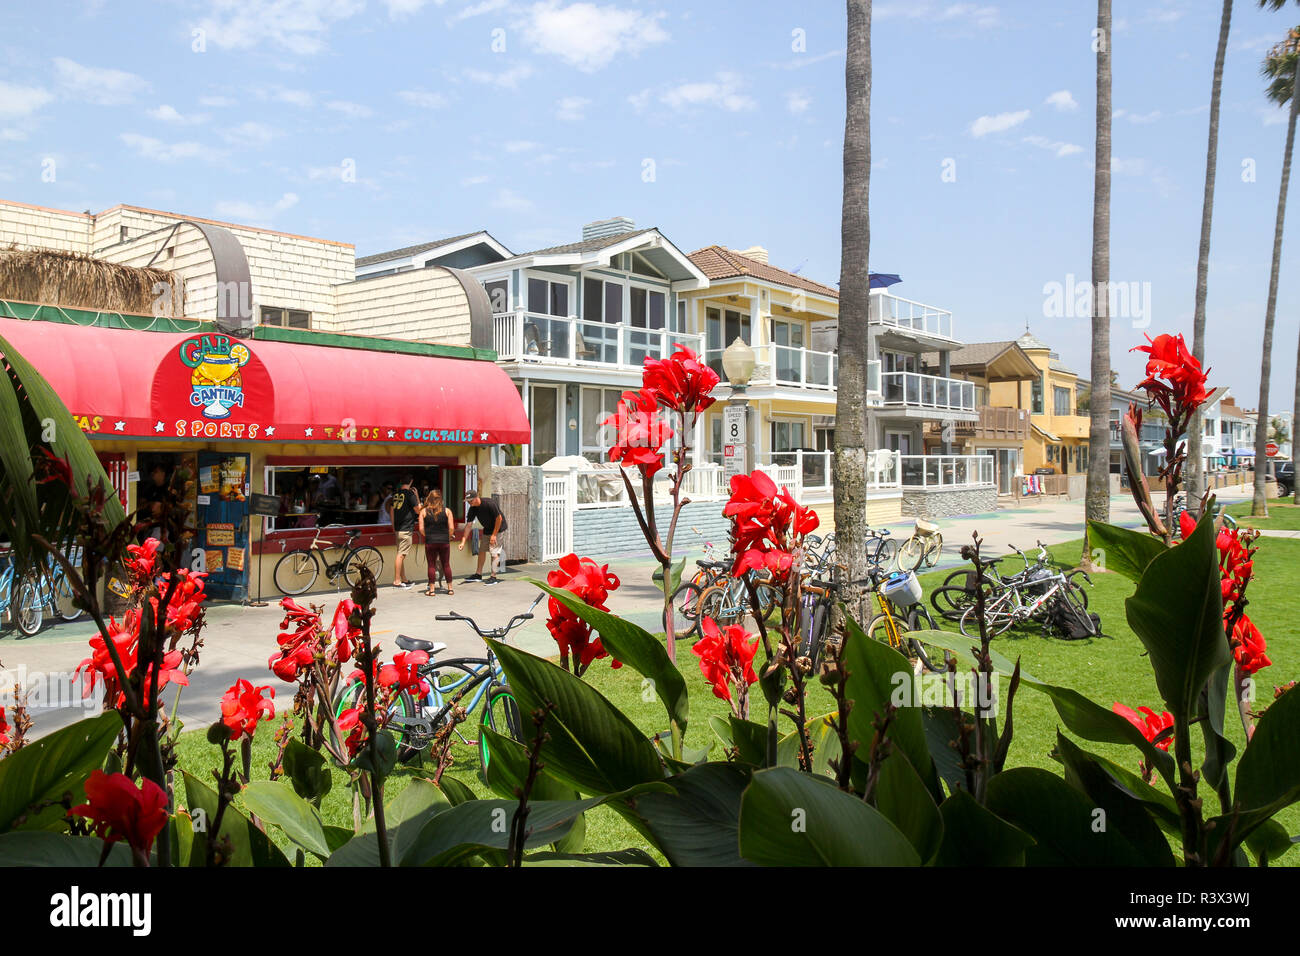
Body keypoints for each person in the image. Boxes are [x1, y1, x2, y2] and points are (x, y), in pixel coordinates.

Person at [457, 489, 507, 585]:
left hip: (498, 529)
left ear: (476, 498)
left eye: (471, 500)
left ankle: (493, 576)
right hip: (487, 529)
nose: (469, 503)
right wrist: (463, 541)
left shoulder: (489, 503)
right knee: (482, 551)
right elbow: (469, 525)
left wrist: (494, 535)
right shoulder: (473, 508)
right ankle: (478, 574)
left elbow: (499, 519)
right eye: (468, 501)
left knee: (494, 552)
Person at [418, 489, 455, 596]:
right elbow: (451, 528)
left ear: (429, 498)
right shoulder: (447, 511)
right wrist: (447, 536)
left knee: (431, 565)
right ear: (440, 499)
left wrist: (428, 535)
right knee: (446, 564)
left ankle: (432, 590)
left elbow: (421, 529)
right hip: (444, 541)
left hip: (430, 541)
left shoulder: (423, 512)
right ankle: (450, 588)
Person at [388, 476, 419, 589]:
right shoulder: (410, 495)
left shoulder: (395, 494)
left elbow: (391, 511)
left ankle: (403, 578)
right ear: (411, 482)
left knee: (400, 554)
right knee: (401, 555)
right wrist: (417, 496)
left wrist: (393, 526)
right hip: (406, 529)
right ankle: (397, 580)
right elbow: (418, 510)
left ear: (401, 482)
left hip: (398, 528)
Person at [138, 462, 169, 542]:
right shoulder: (151, 488)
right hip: (145, 527)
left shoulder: (167, 489)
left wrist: (148, 504)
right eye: (152, 471)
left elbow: (154, 509)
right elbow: (139, 506)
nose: (152, 474)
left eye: (155, 471)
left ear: (163, 473)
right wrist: (149, 504)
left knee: (153, 552)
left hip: (160, 529)